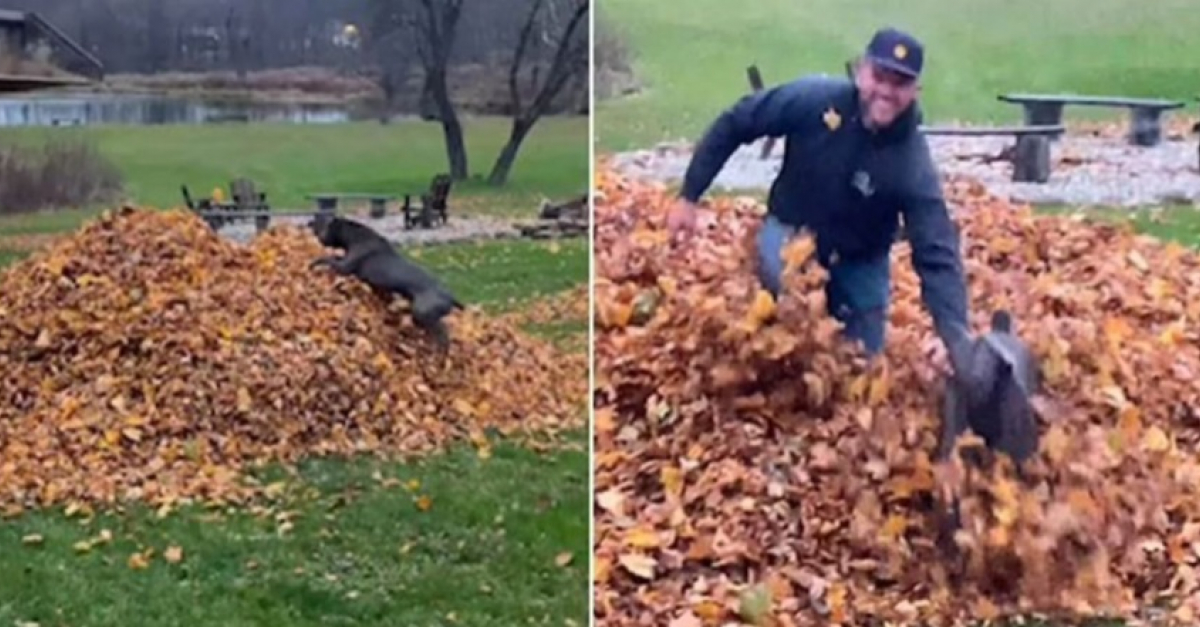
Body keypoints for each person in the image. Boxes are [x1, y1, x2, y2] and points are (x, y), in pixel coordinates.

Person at [667, 26, 972, 360]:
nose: (886, 90)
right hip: (790, 236)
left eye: (899, 83)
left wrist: (955, 335)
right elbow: (737, 122)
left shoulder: (911, 163)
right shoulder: (814, 100)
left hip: (860, 261)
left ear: (915, 90)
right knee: (776, 346)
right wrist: (689, 195)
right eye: (879, 76)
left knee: (862, 366)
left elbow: (936, 248)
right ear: (860, 71)